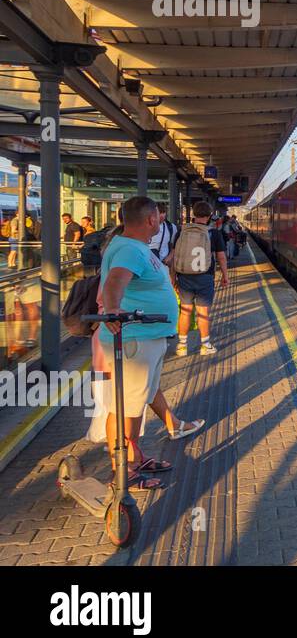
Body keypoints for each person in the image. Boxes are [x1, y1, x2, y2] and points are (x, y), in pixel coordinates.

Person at [95, 196, 193, 490]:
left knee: (134, 405)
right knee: (124, 408)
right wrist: (113, 311)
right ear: (150, 219)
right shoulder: (129, 249)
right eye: (159, 218)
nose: (161, 222)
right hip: (134, 342)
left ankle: (134, 459)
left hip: (144, 339)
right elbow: (114, 283)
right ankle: (123, 472)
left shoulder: (133, 247)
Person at [169, 201, 227, 357]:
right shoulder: (213, 233)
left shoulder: (181, 231)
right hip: (204, 278)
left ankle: (181, 346)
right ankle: (205, 345)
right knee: (203, 312)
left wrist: (172, 278)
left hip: (184, 277)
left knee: (185, 311)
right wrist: (225, 276)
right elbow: (221, 257)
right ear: (209, 216)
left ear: (193, 214)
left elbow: (175, 256)